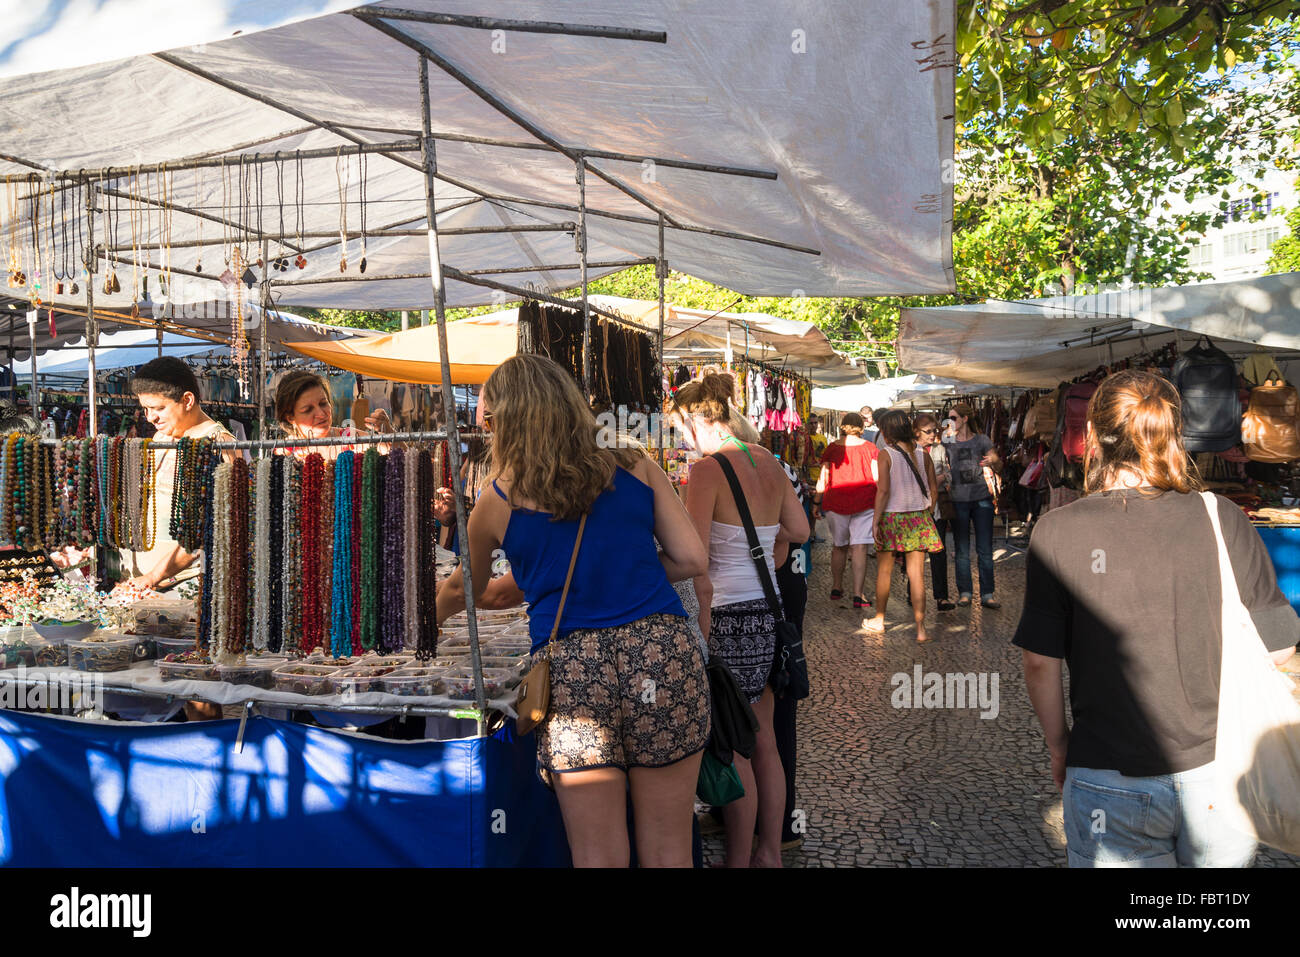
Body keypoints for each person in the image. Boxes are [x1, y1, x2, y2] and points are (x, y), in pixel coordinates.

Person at [1015, 370, 1299, 867]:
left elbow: (1040, 662)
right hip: (1221, 773)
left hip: (1107, 772)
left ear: (1093, 438)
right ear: (1174, 432)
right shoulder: (1222, 516)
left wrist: (1060, 746)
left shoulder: (1057, 531)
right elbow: (1278, 650)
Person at [453, 354, 709, 868]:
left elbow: (471, 589)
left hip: (573, 670)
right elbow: (692, 558)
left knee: (597, 854)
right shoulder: (634, 462)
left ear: (506, 420)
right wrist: (621, 571)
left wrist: (412, 619)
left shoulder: (498, 497)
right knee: (668, 847)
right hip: (660, 651)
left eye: (490, 420)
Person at [672, 373, 809, 868]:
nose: (682, 440)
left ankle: (737, 860)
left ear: (697, 419)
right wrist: (765, 556)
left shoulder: (708, 471)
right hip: (769, 612)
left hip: (729, 615)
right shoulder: (768, 460)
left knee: (738, 743)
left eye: (681, 428)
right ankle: (769, 853)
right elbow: (799, 528)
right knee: (765, 740)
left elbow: (692, 556)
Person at [125, 357, 237, 591]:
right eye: (145, 408)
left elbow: (210, 526)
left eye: (159, 408)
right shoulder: (161, 438)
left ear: (187, 400)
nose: (150, 417)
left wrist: (153, 577)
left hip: (186, 583)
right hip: (145, 579)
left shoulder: (217, 442)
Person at [863, 410, 942, 641]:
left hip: (892, 516)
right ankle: (921, 629)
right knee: (917, 574)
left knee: (884, 571)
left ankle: (879, 619)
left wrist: (876, 521)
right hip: (918, 517)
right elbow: (933, 490)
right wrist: (927, 510)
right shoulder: (923, 453)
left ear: (887, 432)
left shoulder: (886, 454)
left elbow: (884, 490)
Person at [813, 411, 878, 609]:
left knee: (839, 546)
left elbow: (823, 477)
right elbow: (877, 478)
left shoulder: (832, 448)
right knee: (859, 547)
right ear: (862, 427)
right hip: (865, 502)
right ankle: (858, 595)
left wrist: (816, 502)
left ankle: (836, 587)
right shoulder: (870, 448)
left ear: (843, 426)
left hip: (836, 502)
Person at [946, 402, 1001, 608]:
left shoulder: (982, 440)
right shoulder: (947, 441)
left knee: (985, 549)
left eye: (953, 418)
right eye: (949, 418)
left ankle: (987, 593)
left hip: (981, 499)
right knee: (961, 549)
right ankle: (965, 592)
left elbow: (999, 464)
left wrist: (993, 461)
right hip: (958, 500)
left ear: (965, 418)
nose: (950, 422)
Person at [274, 370, 392, 463]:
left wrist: (388, 431)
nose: (321, 414)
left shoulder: (350, 438)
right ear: (290, 417)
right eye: (308, 410)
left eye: (323, 403)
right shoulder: (284, 453)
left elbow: (402, 458)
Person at [916, 413, 956, 611]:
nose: (933, 434)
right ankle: (912, 593)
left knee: (939, 551)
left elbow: (948, 472)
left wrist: (940, 478)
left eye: (935, 431)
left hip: (937, 506)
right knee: (915, 554)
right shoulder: (910, 450)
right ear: (917, 432)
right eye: (929, 431)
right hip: (916, 509)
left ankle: (942, 596)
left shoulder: (940, 449)